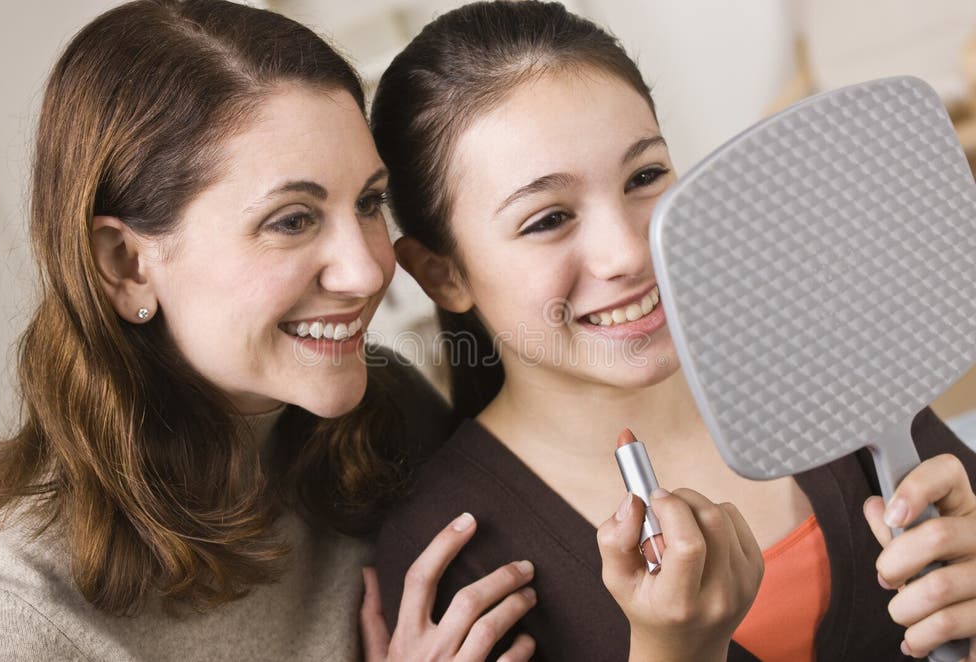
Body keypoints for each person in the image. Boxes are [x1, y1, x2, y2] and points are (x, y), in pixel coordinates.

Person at [368, 2, 976, 661]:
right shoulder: (451, 565)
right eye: (548, 219)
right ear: (442, 274)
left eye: (645, 176)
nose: (630, 252)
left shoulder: (824, 366)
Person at [0, 2, 537, 660]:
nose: (368, 272)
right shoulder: (19, 614)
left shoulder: (391, 410)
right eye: (292, 220)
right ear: (125, 265)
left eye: (368, 203)